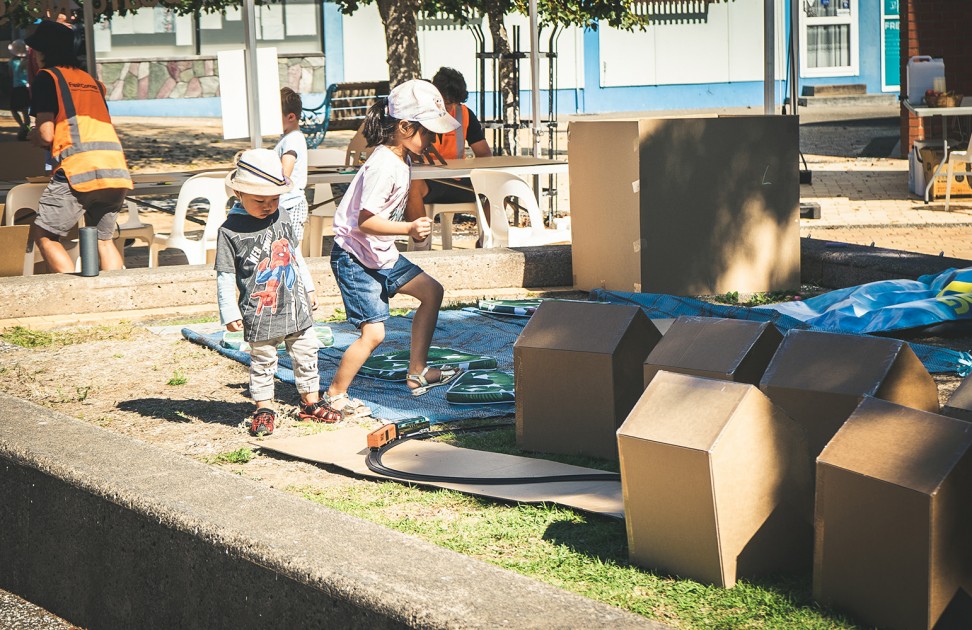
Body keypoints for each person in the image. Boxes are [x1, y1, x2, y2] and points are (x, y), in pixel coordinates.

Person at [322, 79, 463, 421]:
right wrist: (409, 229)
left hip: (378, 254)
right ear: (404, 127)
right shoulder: (384, 164)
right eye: (428, 132)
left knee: (431, 291)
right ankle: (334, 396)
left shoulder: (400, 159)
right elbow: (365, 221)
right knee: (374, 334)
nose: (433, 140)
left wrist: (409, 232)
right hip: (355, 257)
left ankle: (417, 372)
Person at [215, 148, 332, 437]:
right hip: (261, 310)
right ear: (239, 194)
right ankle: (264, 408)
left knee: (307, 353)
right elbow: (225, 274)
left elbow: (294, 254)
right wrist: (229, 311)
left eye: (274, 199)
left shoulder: (281, 217)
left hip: (294, 305)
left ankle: (310, 402)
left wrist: (309, 286)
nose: (268, 206)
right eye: (260, 200)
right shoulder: (230, 231)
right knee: (263, 361)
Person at [26, 20, 131, 273]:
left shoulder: (47, 78)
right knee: (104, 241)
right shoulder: (91, 82)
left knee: (46, 236)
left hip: (78, 171)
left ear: (42, 52)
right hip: (115, 170)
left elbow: (46, 134)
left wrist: (33, 135)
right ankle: (114, 298)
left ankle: (73, 295)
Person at [407, 67, 492, 249]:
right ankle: (422, 246)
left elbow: (484, 154)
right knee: (411, 185)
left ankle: (485, 242)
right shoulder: (416, 115)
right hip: (428, 183)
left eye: (454, 102)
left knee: (500, 185)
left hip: (459, 182)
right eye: (446, 102)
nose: (450, 107)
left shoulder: (465, 114)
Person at [275, 87, 309, 245]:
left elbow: (285, 173)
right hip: (287, 203)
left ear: (291, 117)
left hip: (291, 204)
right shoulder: (288, 137)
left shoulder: (292, 139)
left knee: (292, 252)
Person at [8, 40, 31, 141]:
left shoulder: (12, 62)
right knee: (25, 111)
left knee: (14, 109)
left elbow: (10, 75)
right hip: (26, 87)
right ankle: (26, 128)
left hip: (16, 87)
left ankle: (22, 126)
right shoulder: (28, 61)